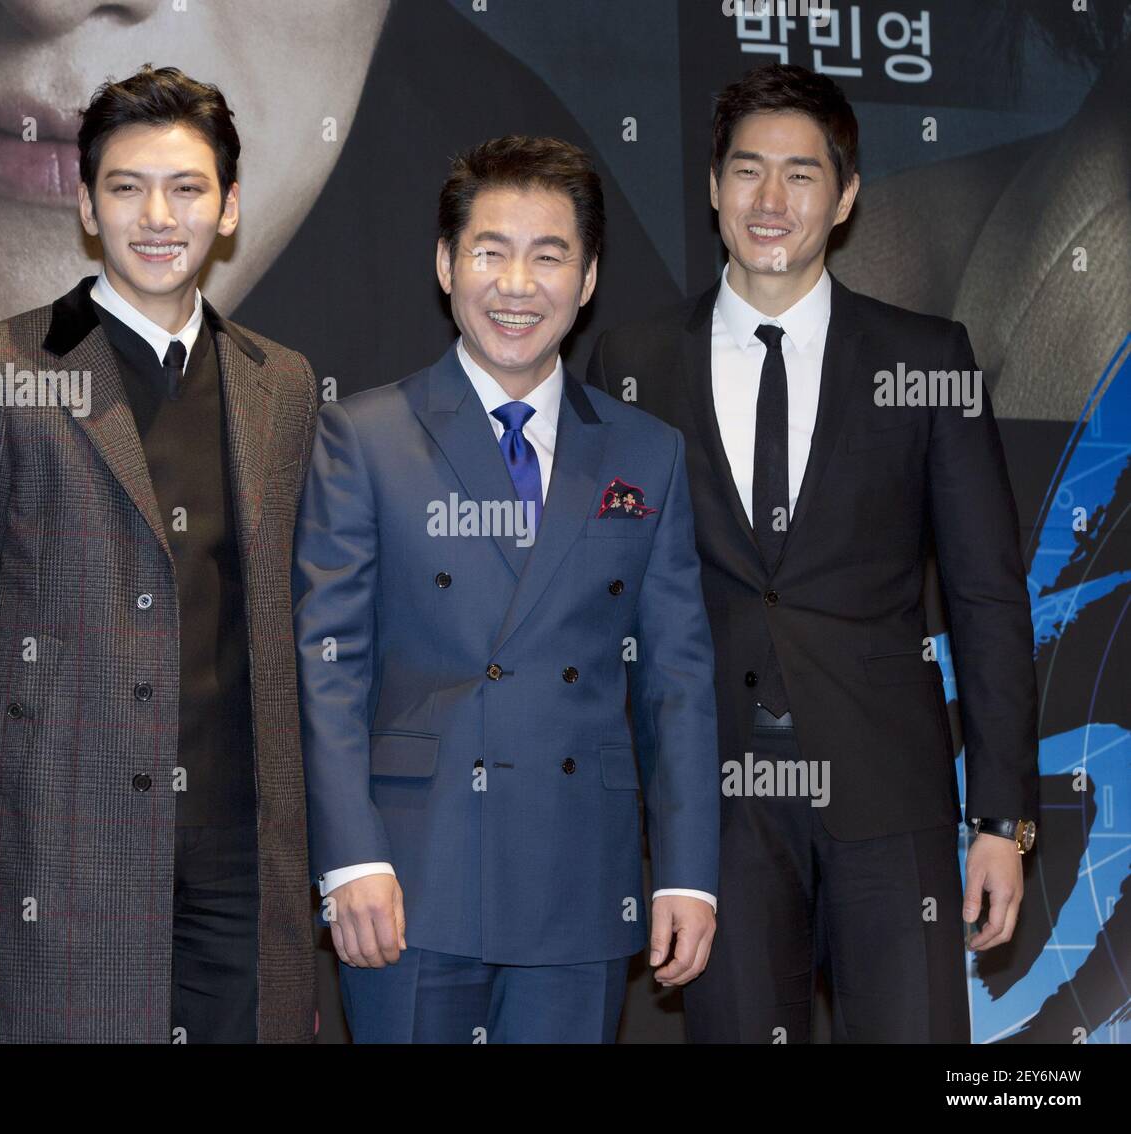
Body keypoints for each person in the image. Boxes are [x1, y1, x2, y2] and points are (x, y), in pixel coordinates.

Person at [588, 63, 1040, 1043]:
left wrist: (1000, 816)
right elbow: (604, 595)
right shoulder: (632, 362)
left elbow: (987, 596)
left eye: (800, 174)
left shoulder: (926, 359)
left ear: (844, 197)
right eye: (746, 170)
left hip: (889, 791)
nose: (769, 199)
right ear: (711, 187)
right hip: (714, 802)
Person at [0, 66, 317, 1043]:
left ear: (229, 207)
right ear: (87, 205)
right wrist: (43, 761)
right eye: (127, 187)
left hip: (240, 864)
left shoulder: (281, 385)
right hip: (63, 857)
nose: (157, 216)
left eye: (187, 188)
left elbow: (284, 608)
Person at [292, 135, 719, 1044]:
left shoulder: (647, 453)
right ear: (446, 264)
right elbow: (330, 668)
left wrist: (685, 872)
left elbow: (675, 679)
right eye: (490, 251)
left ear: (590, 276)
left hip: (580, 873)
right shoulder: (365, 437)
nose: (517, 284)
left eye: (549, 255)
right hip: (410, 875)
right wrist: (350, 857)